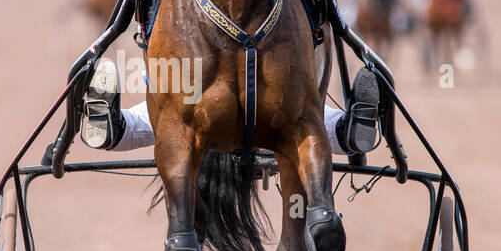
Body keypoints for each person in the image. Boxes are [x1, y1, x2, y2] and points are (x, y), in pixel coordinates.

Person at [80, 59, 380, 157]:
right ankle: (345, 131)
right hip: (274, 111)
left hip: (194, 104)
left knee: (170, 115)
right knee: (303, 120)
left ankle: (117, 129)